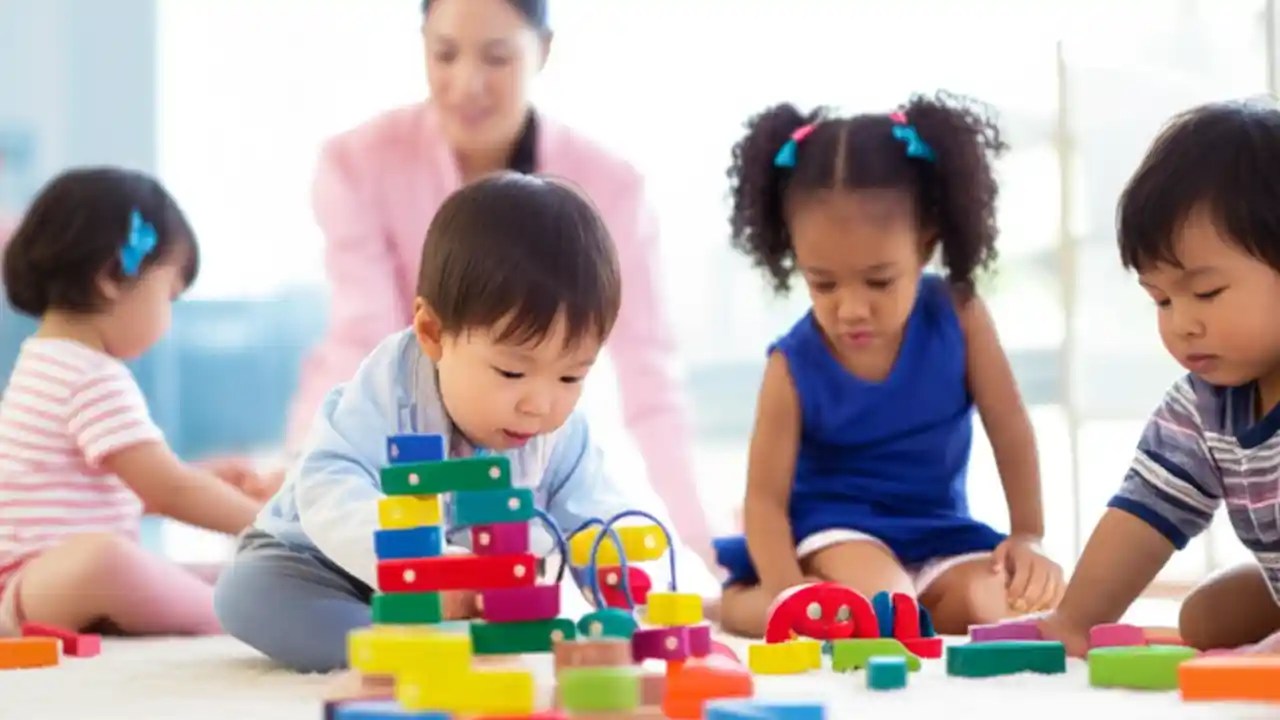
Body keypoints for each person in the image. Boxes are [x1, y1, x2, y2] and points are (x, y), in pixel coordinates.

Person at [214, 174, 706, 673]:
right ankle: (402, 644)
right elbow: (329, 485)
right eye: (512, 371)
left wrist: (616, 572)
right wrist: (424, 566)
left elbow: (592, 513)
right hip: (319, 563)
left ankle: (438, 638)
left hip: (458, 591)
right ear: (433, 333)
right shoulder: (389, 388)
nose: (540, 403)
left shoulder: (560, 434)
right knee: (247, 591)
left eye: (571, 375)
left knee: (528, 597)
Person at [282, 0, 713, 566]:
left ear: (544, 50)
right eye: (444, 54)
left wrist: (701, 549)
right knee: (293, 547)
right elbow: (365, 336)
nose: (467, 84)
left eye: (497, 58)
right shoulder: (356, 162)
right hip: (379, 431)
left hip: (516, 445)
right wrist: (312, 461)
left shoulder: (610, 184)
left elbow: (648, 374)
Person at [712, 92, 1065, 638]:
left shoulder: (961, 316)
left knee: (1005, 607)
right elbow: (763, 501)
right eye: (822, 283)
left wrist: (1029, 535)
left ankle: (916, 607)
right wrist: (789, 594)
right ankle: (735, 604)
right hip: (838, 534)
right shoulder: (792, 364)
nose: (850, 308)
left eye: (879, 280)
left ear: (926, 247)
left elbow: (1011, 428)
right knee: (881, 607)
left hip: (940, 533)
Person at [1037, 98, 1280, 657]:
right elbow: (1145, 511)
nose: (1182, 324)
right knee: (1206, 617)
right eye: (1161, 300)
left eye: (1207, 293)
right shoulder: (1204, 403)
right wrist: (1074, 621)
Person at [0, 167, 270, 637]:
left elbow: (88, 494)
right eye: (169, 295)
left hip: (35, 585)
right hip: (30, 586)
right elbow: (171, 490)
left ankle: (230, 598)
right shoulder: (90, 375)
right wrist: (276, 525)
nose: (167, 318)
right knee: (108, 560)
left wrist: (203, 478)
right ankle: (241, 616)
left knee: (161, 569)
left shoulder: (47, 360)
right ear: (111, 277)